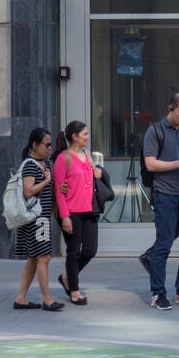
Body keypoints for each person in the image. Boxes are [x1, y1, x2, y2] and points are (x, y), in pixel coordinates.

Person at [141, 93, 179, 309]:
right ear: (170, 108)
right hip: (166, 195)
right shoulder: (155, 131)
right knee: (163, 245)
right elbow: (150, 164)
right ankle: (158, 294)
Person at [12, 128, 64, 311]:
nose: (49, 148)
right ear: (35, 144)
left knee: (34, 258)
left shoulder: (44, 163)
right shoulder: (30, 165)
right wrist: (46, 180)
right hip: (36, 218)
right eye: (46, 145)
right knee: (44, 256)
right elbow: (28, 191)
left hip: (41, 217)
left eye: (51, 145)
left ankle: (21, 298)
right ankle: (47, 299)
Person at [52, 120, 103, 304]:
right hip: (72, 212)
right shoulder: (62, 159)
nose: (88, 137)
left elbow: (94, 176)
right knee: (73, 252)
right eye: (85, 134)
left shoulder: (87, 154)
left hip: (90, 210)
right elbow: (59, 190)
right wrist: (65, 216)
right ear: (74, 137)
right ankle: (74, 291)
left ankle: (67, 278)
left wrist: (99, 173)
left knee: (90, 250)